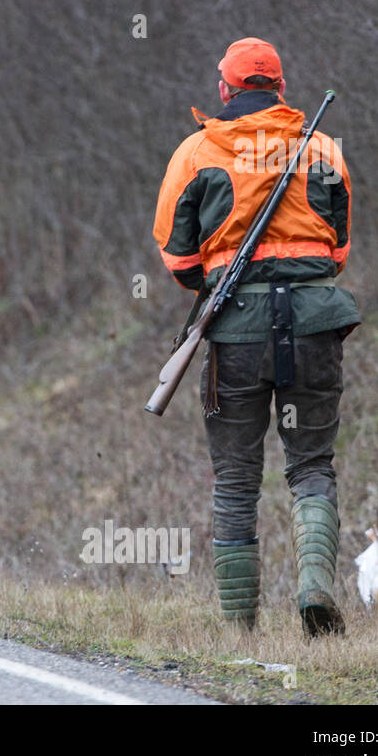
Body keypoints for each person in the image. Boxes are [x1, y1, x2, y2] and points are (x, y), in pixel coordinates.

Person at [153, 37, 359, 635]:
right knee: (312, 466)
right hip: (316, 323)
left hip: (236, 333)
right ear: (281, 88)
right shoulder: (322, 148)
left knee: (237, 478)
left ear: (225, 89)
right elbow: (337, 251)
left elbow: (176, 257)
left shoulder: (195, 153)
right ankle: (315, 586)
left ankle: (240, 631)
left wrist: (223, 277)